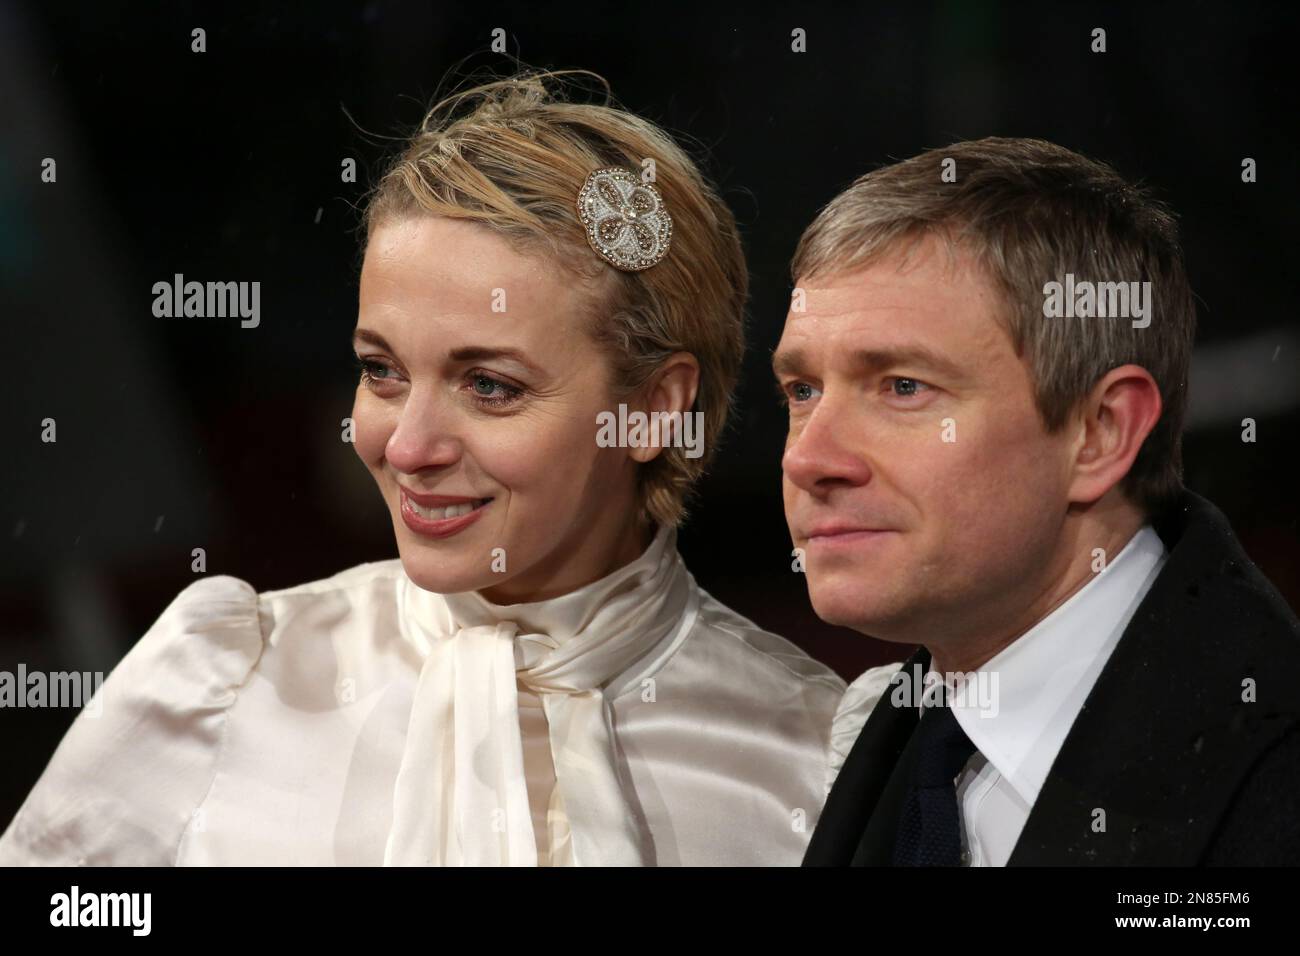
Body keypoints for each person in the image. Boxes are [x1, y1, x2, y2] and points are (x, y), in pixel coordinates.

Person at [0, 71, 845, 866]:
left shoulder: (814, 753)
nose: (406, 447)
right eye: (382, 372)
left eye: (489, 386)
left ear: (657, 407)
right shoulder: (221, 680)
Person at [774, 137, 1300, 866]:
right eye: (802, 392)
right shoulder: (880, 733)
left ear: (1099, 433)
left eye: (902, 387)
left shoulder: (1272, 765)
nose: (808, 458)